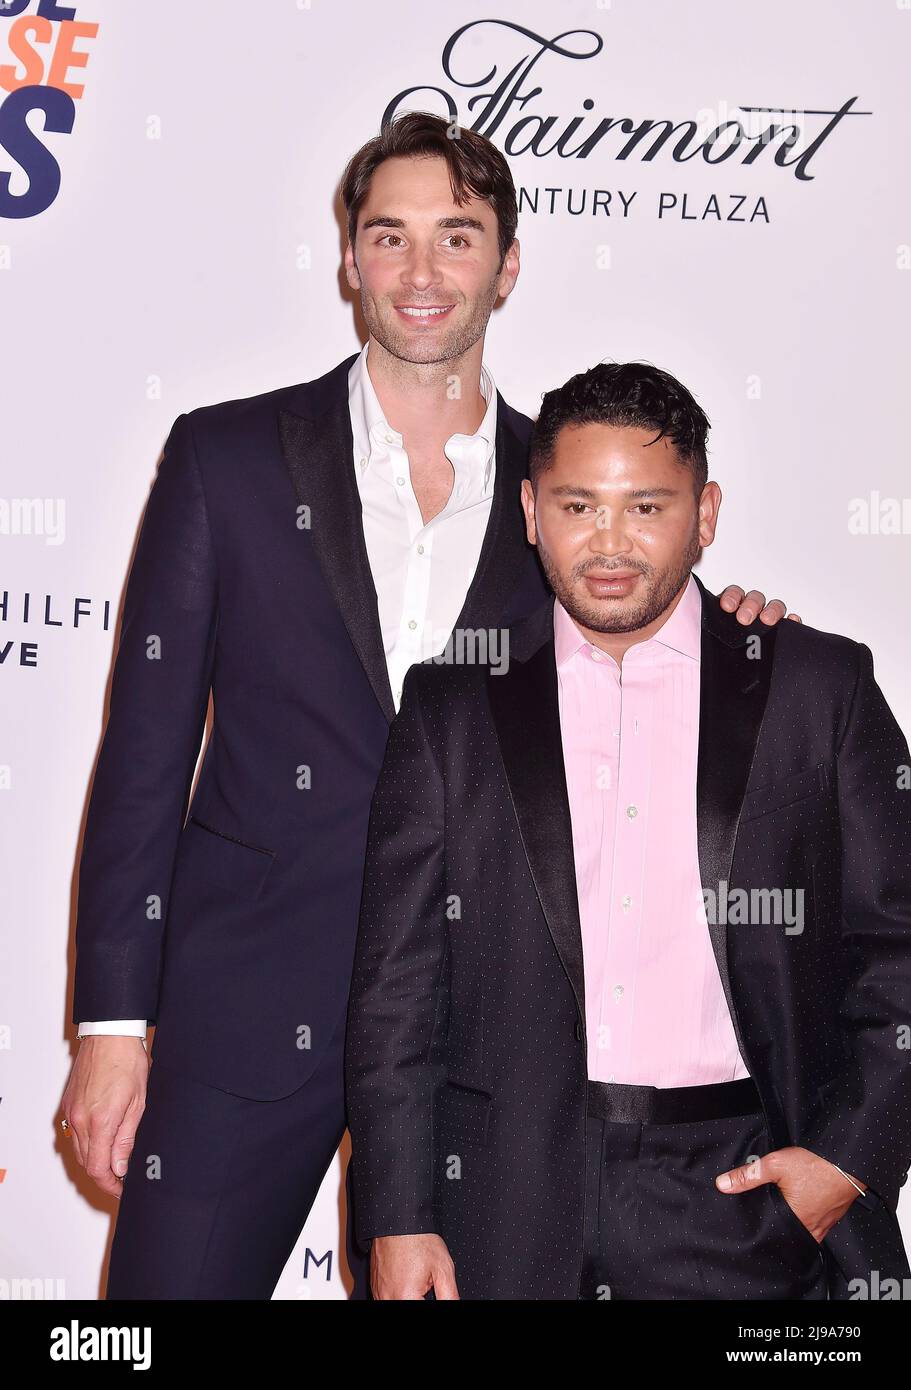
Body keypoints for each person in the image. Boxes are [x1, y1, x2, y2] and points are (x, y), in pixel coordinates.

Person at [62, 115, 790, 1300]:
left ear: (505, 266)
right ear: (348, 259)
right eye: (388, 236)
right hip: (244, 1005)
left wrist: (745, 629)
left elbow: (647, 626)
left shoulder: (554, 485)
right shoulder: (226, 459)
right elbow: (141, 760)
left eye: (456, 237)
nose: (419, 271)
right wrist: (108, 1028)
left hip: (478, 1038)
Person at [345, 361, 911, 1301]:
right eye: (577, 506)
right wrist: (399, 1216)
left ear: (707, 513)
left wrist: (844, 1166)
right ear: (531, 512)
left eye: (646, 507)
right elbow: (395, 994)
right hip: (501, 1204)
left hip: (747, 1201)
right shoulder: (451, 707)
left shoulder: (818, 688)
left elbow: (898, 948)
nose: (609, 544)